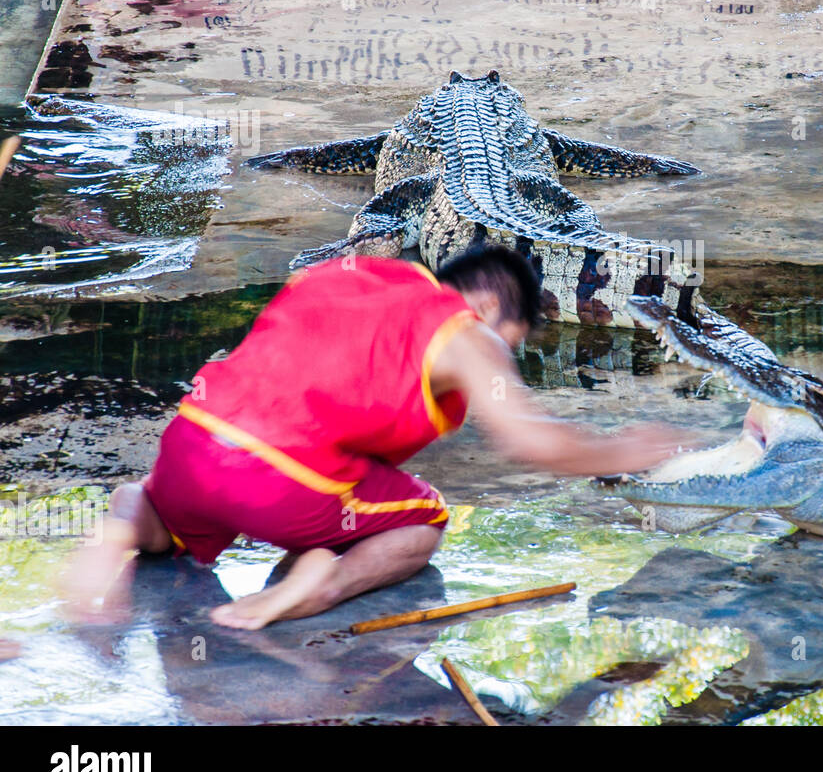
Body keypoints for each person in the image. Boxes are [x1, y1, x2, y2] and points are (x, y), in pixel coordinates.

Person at [64, 246, 687, 630]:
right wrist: (623, 450)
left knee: (163, 512)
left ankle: (126, 519)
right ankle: (316, 586)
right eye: (514, 344)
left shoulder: (349, 277)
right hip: (280, 480)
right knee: (424, 519)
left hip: (190, 445)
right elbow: (532, 444)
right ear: (496, 313)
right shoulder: (466, 331)